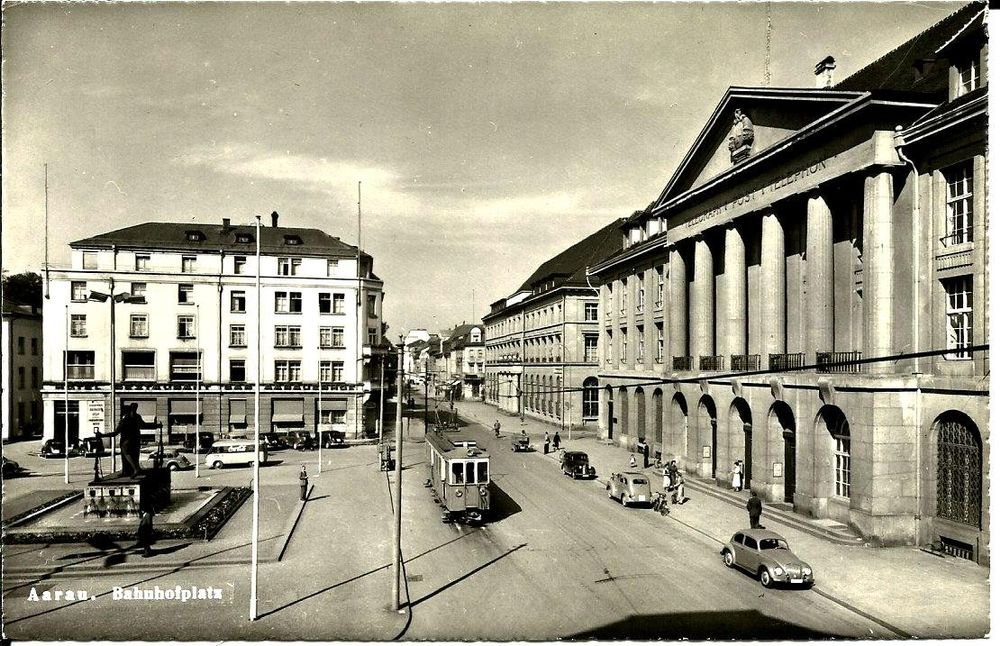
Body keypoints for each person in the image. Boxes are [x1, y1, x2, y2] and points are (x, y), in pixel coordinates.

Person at [100, 402, 143, 478]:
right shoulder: (136, 418)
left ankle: (136, 469)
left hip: (125, 441)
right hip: (135, 440)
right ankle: (128, 470)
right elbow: (143, 425)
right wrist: (156, 425)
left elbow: (115, 433)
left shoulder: (124, 421)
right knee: (134, 456)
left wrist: (102, 435)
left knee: (126, 454)